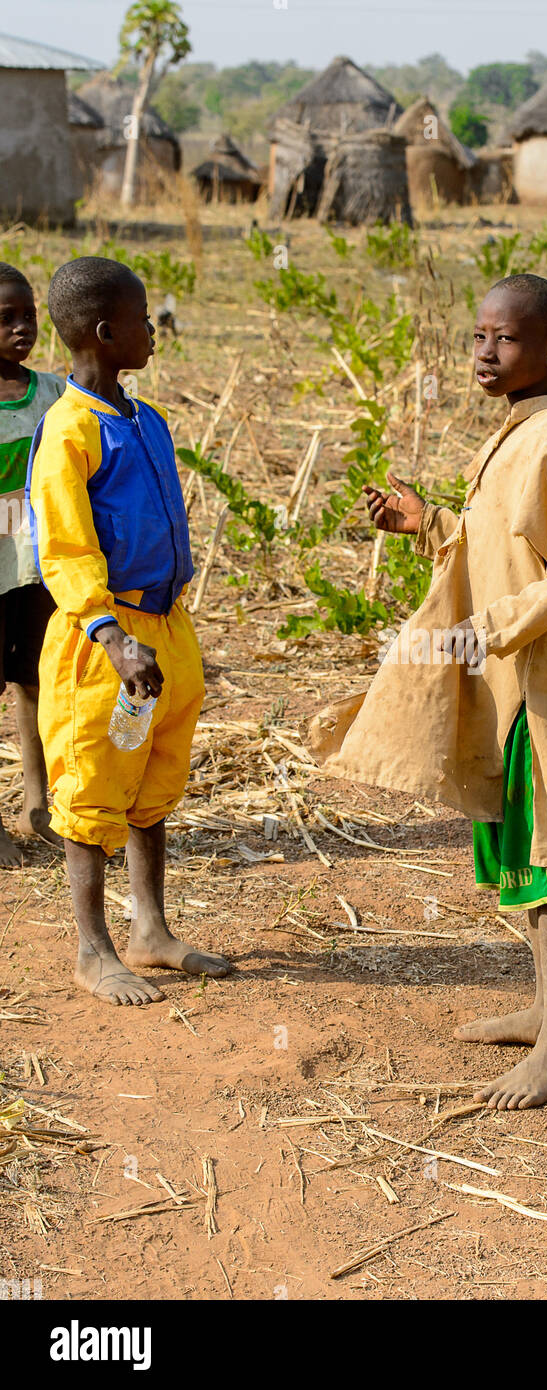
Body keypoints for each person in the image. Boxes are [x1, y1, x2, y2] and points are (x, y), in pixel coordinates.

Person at [308, 273, 547, 1109]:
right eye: (479, 337)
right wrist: (429, 524)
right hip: (504, 673)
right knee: (517, 840)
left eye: (508, 340)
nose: (488, 354)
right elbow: (503, 545)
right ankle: (541, 1011)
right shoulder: (513, 433)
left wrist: (498, 628)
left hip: (537, 677)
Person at [26, 257, 230, 1006]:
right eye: (144, 321)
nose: (154, 332)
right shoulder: (69, 431)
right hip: (102, 640)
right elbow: (68, 549)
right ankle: (92, 949)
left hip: (166, 624)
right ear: (108, 334)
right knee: (92, 784)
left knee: (152, 778)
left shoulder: (147, 420)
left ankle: (152, 930)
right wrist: (115, 639)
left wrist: (159, 627)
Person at [0, 263, 65, 865]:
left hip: (35, 563)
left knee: (35, 680)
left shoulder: (50, 394)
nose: (22, 328)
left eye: (28, 316)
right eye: (5, 320)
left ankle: (37, 806)